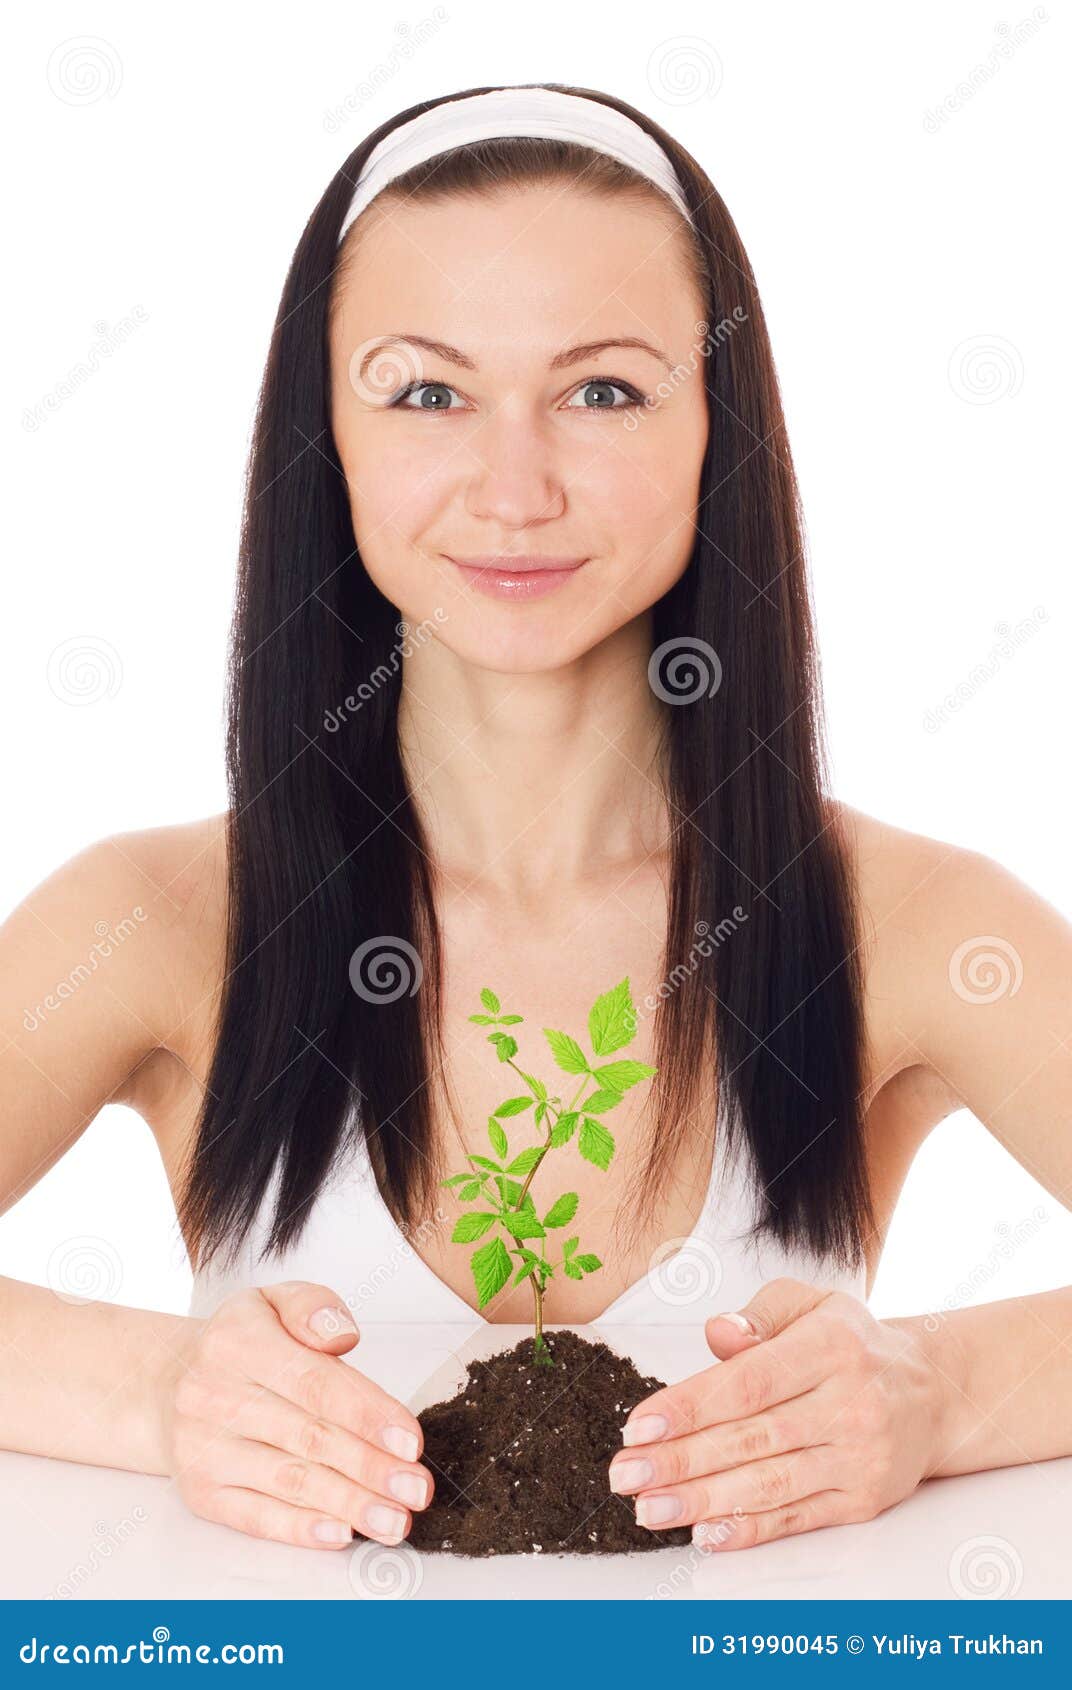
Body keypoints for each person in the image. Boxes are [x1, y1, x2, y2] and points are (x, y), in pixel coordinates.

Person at [3, 82, 1070, 1560]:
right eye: (426, 392)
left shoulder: (906, 923)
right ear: (328, 434)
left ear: (720, 426)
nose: (516, 488)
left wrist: (940, 1394)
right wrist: (163, 1392)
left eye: (606, 390)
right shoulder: (161, 917)